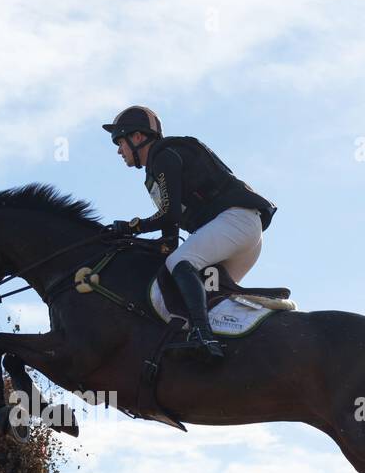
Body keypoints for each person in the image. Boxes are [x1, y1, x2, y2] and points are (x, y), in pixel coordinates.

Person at [101, 106, 276, 363]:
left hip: (234, 222)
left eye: (120, 142)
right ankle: (226, 347)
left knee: (180, 264)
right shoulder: (157, 170)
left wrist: (130, 227)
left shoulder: (163, 157)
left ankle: (203, 336)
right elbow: (169, 236)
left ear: (137, 137)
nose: (119, 150)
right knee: (208, 296)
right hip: (242, 233)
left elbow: (169, 215)